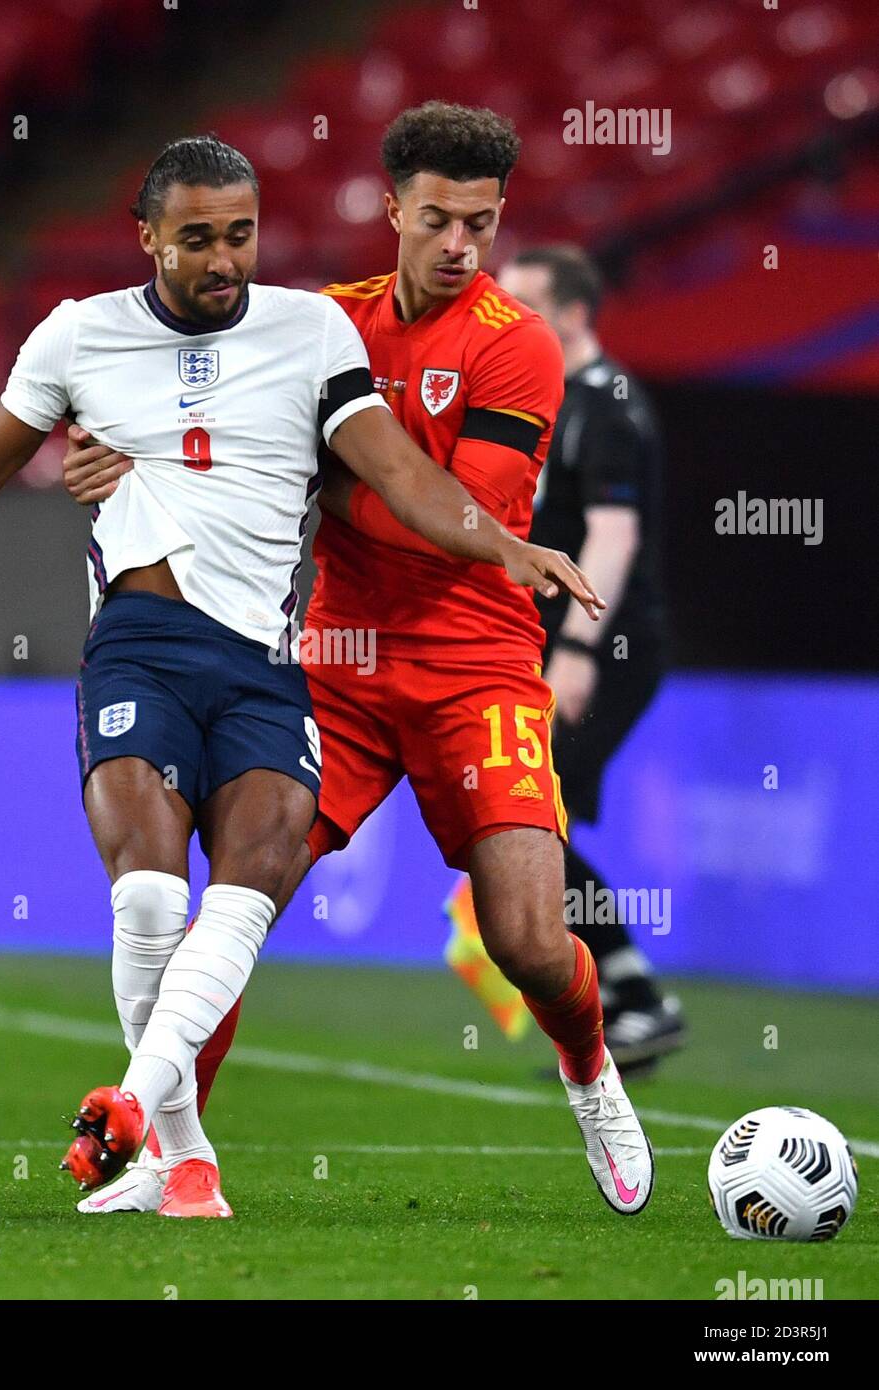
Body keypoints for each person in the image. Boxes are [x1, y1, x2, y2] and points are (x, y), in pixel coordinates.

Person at [0, 134, 599, 1220]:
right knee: (147, 891)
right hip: (141, 647)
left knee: (249, 893)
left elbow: (399, 474)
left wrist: (500, 542)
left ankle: (151, 1133)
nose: (223, 258)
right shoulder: (79, 335)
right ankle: (173, 1147)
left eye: (239, 235)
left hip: (275, 670)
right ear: (148, 237)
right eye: (196, 240)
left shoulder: (308, 329)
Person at [63, 104, 655, 1219]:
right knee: (240, 897)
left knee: (529, 937)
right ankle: (175, 1155)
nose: (458, 245)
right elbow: (187, 416)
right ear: (392, 210)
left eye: (479, 223)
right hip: (333, 660)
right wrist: (113, 455)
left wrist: (313, 481)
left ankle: (590, 1069)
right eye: (436, 219)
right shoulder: (319, 324)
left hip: (477, 659)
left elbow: (455, 516)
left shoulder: (515, 341)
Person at [490, 245, 686, 1071]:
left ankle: (635, 993)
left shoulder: (606, 405)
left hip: (607, 646)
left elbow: (614, 534)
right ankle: (616, 994)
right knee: (527, 816)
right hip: (558, 643)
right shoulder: (548, 398)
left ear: (571, 313)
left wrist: (574, 647)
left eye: (523, 305)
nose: (503, 321)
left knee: (530, 814)